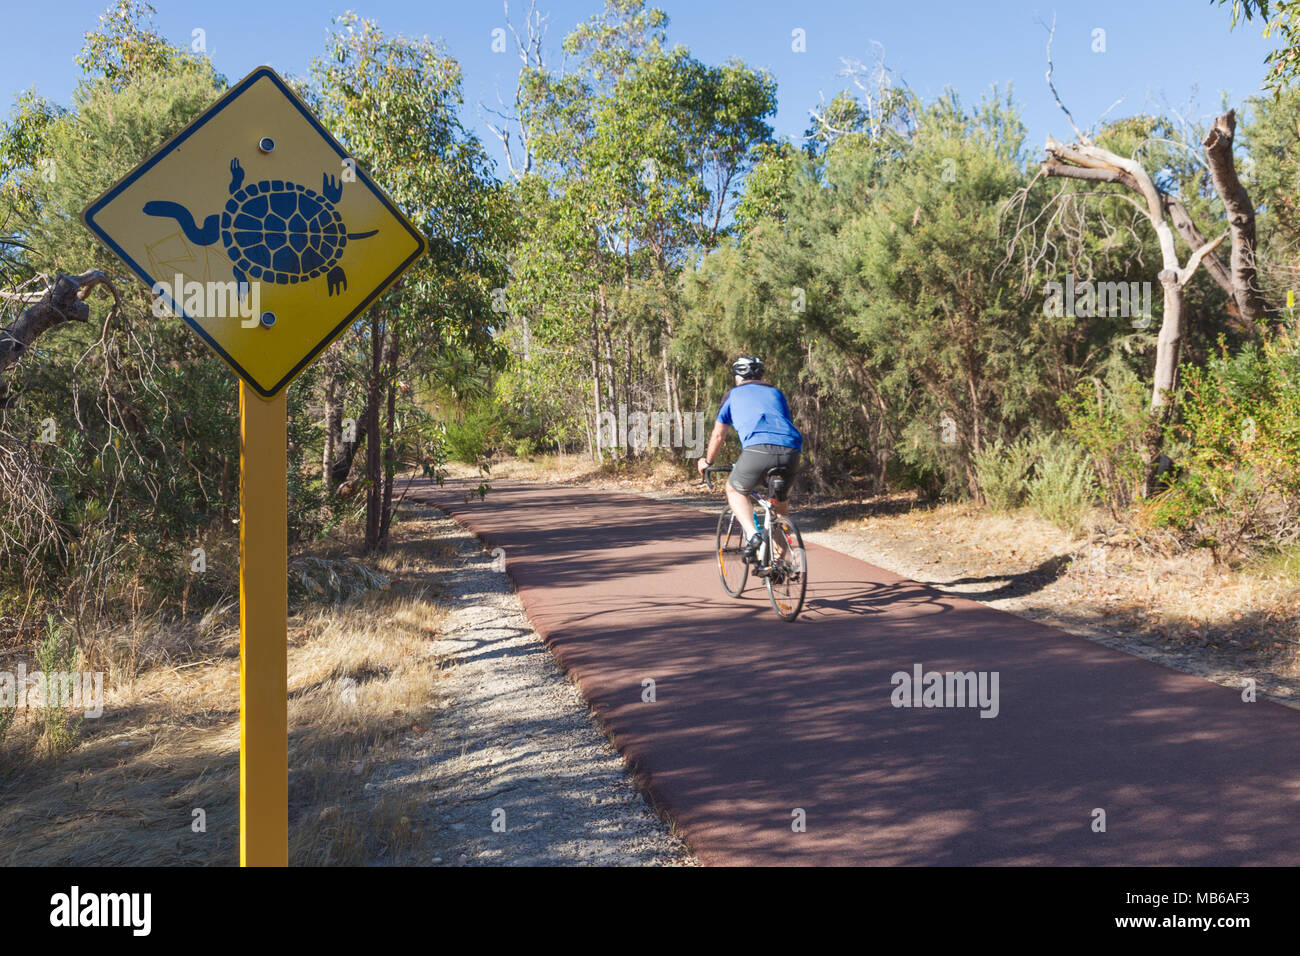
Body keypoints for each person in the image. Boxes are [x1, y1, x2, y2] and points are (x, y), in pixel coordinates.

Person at [696, 356, 803, 562]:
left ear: (737, 377)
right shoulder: (776, 393)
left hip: (758, 449)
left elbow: (719, 435)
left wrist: (707, 462)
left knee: (734, 489)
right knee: (779, 509)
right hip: (791, 449)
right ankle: (777, 565)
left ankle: (753, 535)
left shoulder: (732, 395)